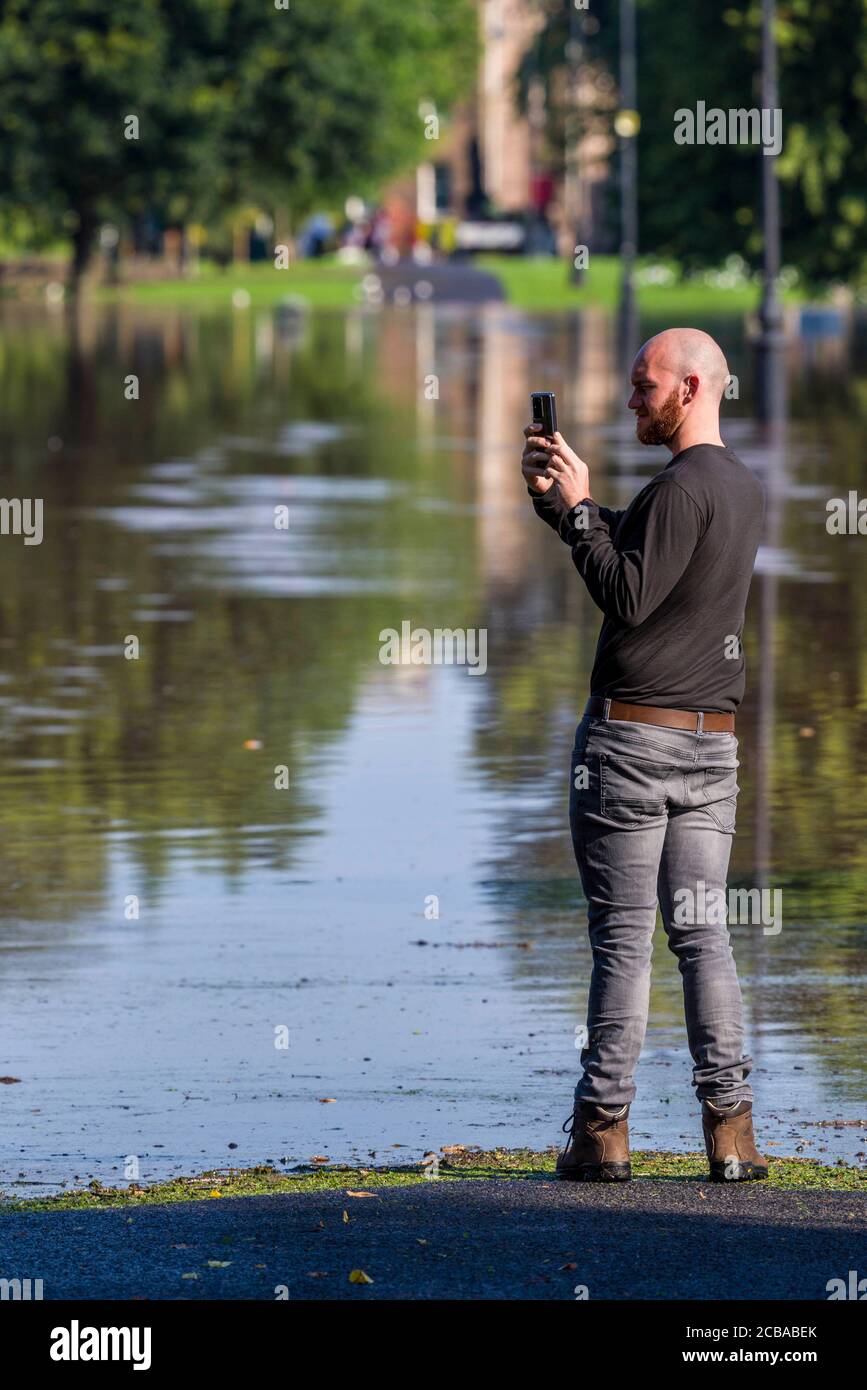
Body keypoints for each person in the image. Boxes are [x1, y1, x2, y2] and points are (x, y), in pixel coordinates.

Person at [522, 327, 768, 1183]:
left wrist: (585, 517)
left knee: (623, 942)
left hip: (629, 745)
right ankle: (730, 1136)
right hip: (711, 749)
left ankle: (601, 1133)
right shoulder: (737, 489)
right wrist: (574, 513)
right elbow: (653, 555)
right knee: (704, 938)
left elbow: (627, 591)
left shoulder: (677, 488)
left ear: (692, 387)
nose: (632, 400)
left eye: (644, 387)